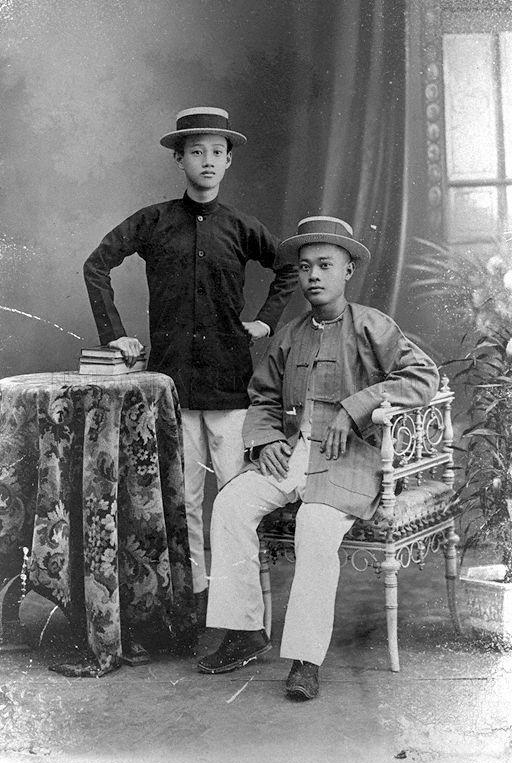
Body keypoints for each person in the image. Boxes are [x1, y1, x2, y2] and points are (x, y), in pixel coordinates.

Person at [197, 216, 439, 699]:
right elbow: (263, 395)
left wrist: (356, 408)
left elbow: (423, 376)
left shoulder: (373, 325)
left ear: (347, 271)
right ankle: (245, 629)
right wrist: (266, 440)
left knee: (314, 527)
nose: (312, 275)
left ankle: (305, 660)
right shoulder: (290, 333)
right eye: (305, 266)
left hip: (349, 461)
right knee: (229, 505)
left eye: (325, 265)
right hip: (290, 455)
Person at [83, 107, 298, 623]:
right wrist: (115, 335)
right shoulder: (154, 221)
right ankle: (194, 603)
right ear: (179, 159)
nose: (207, 161)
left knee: (233, 501)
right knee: (182, 505)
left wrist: (265, 322)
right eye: (195, 151)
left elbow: (287, 270)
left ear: (228, 163)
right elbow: (97, 265)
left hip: (230, 387)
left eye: (216, 152)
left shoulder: (243, 228)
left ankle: (236, 610)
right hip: (172, 387)